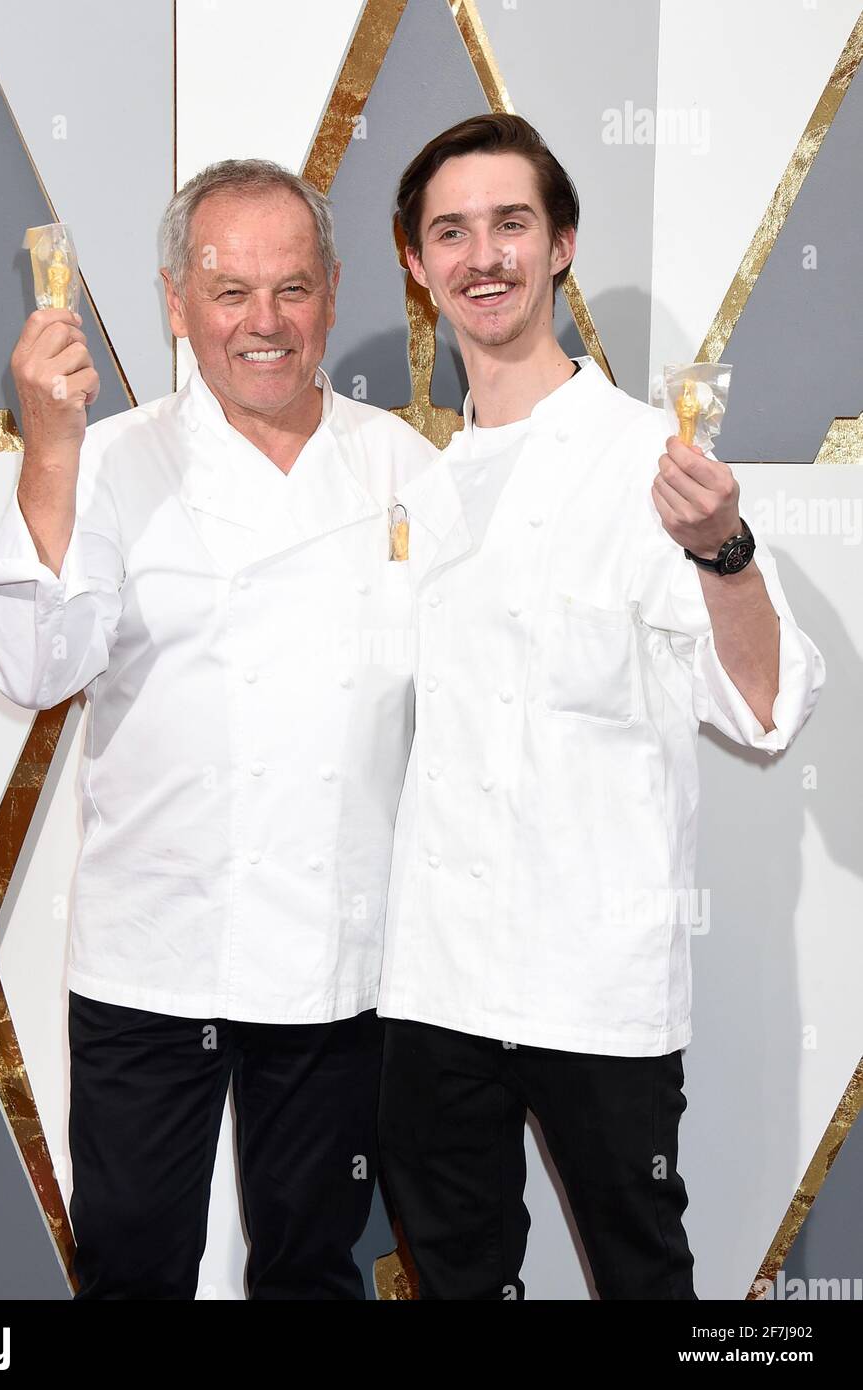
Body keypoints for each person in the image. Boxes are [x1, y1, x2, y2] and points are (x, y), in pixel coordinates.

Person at [376, 114, 826, 1300]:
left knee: (644, 1283)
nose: (483, 255)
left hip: (597, 987)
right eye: (450, 231)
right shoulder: (411, 486)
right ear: (416, 264)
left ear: (560, 243)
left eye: (510, 224)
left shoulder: (654, 463)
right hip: (430, 985)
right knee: (459, 1281)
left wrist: (720, 552)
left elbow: (764, 707)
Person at [0, 159, 436, 1300]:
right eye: (230, 293)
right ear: (176, 302)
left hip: (339, 964)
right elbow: (31, 666)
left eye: (291, 289)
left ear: (331, 291)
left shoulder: (407, 469)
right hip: (152, 961)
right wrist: (45, 444)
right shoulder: (109, 458)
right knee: (130, 1266)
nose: (263, 323)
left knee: (311, 1265)